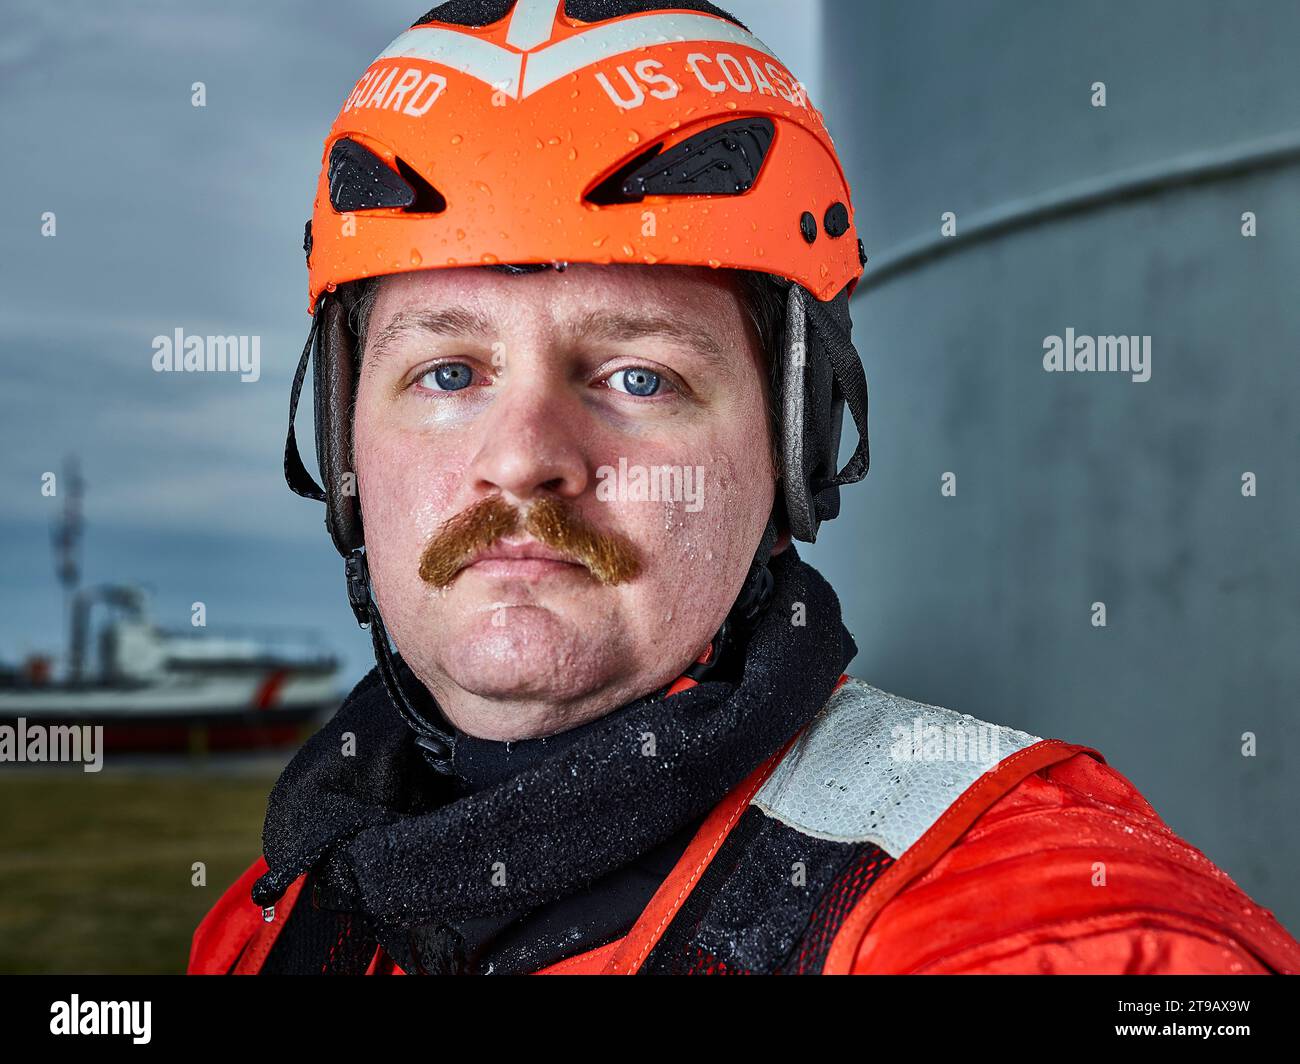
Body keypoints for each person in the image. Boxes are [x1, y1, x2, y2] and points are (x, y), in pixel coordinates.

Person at [189, 0, 1300, 975]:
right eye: (447, 372)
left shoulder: (1038, 919)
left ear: (790, 451)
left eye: (638, 375)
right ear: (345, 449)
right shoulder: (277, 907)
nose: (524, 454)